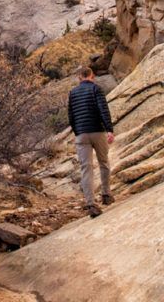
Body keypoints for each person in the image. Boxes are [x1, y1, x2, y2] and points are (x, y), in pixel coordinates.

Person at [68, 66, 114, 217]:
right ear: (91, 75)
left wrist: (78, 132)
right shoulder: (96, 89)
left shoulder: (72, 93)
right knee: (103, 163)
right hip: (98, 131)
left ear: (79, 77)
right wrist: (109, 129)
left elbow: (71, 116)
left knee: (86, 168)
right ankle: (106, 195)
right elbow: (103, 110)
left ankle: (91, 204)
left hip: (81, 134)